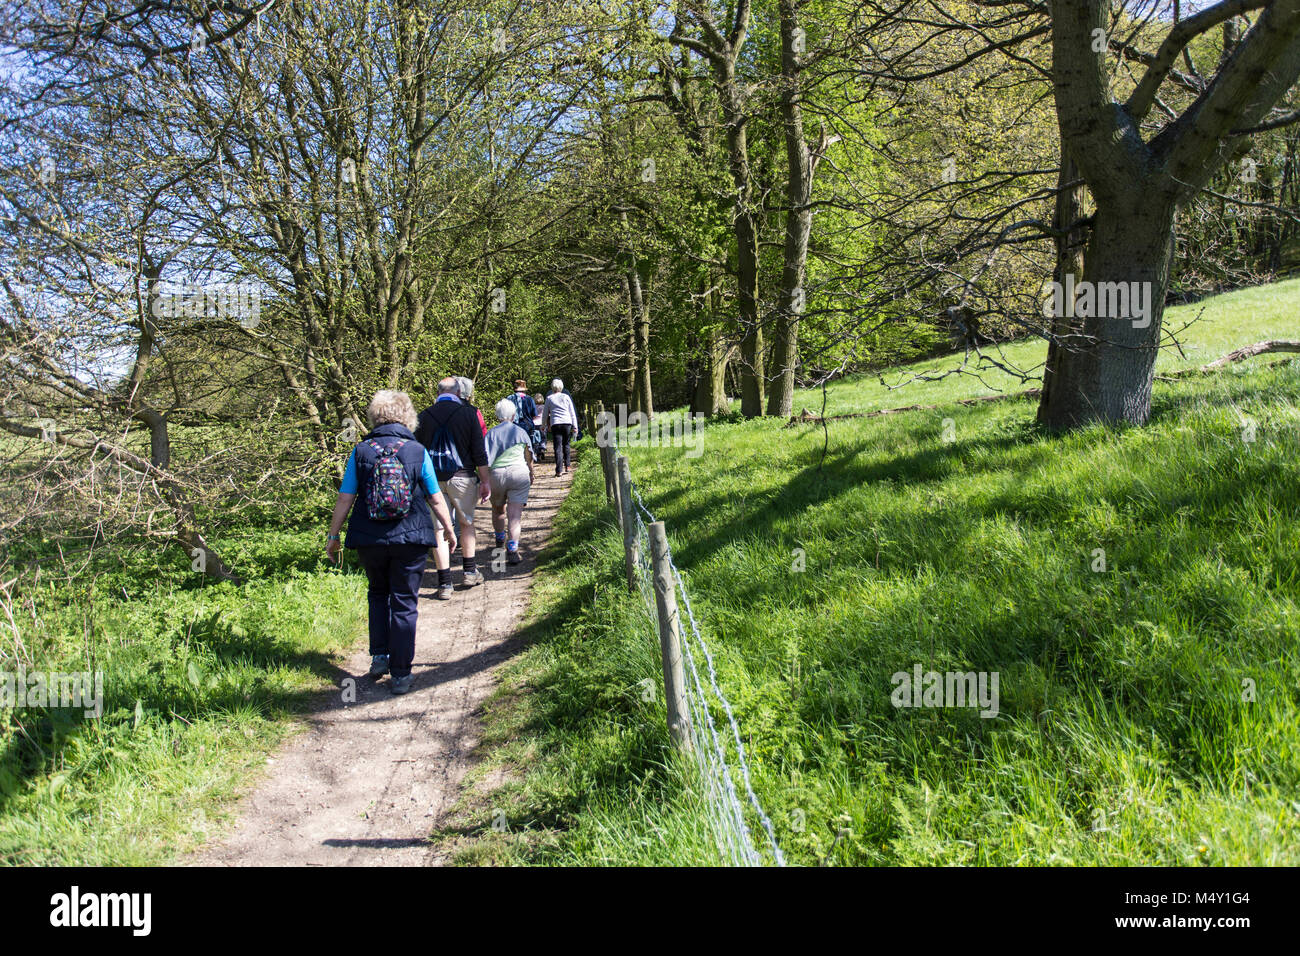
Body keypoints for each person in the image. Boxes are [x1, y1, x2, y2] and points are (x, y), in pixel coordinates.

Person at [326, 390, 456, 695]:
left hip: (370, 538)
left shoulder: (360, 451)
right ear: (408, 416)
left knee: (377, 594)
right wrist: (449, 530)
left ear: (375, 416)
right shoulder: (416, 450)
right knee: (405, 602)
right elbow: (435, 497)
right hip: (410, 537)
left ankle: (379, 657)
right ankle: (400, 674)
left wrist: (333, 536)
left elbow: (346, 496)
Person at [415, 378, 491, 599]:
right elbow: (479, 451)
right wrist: (485, 481)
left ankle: (445, 583)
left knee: (438, 529)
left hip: (433, 480)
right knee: (466, 523)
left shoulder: (424, 416)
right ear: (459, 393)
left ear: (437, 393)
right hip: (463, 476)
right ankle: (469, 571)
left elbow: (417, 451)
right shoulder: (468, 414)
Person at [486, 398, 536, 564]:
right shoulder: (520, 432)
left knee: (498, 510)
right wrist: (531, 472)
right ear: (514, 415)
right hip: (518, 473)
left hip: (497, 475)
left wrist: (483, 479)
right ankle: (513, 549)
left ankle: (500, 540)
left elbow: (485, 459)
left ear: (497, 415)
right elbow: (528, 456)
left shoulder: (490, 434)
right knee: (515, 515)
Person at [541, 377, 579, 477]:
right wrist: (575, 426)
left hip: (555, 424)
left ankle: (559, 470)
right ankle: (568, 465)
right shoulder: (566, 397)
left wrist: (543, 425)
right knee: (566, 444)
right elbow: (572, 412)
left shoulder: (549, 398)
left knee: (557, 446)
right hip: (567, 423)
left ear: (552, 387)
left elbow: (545, 413)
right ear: (561, 387)